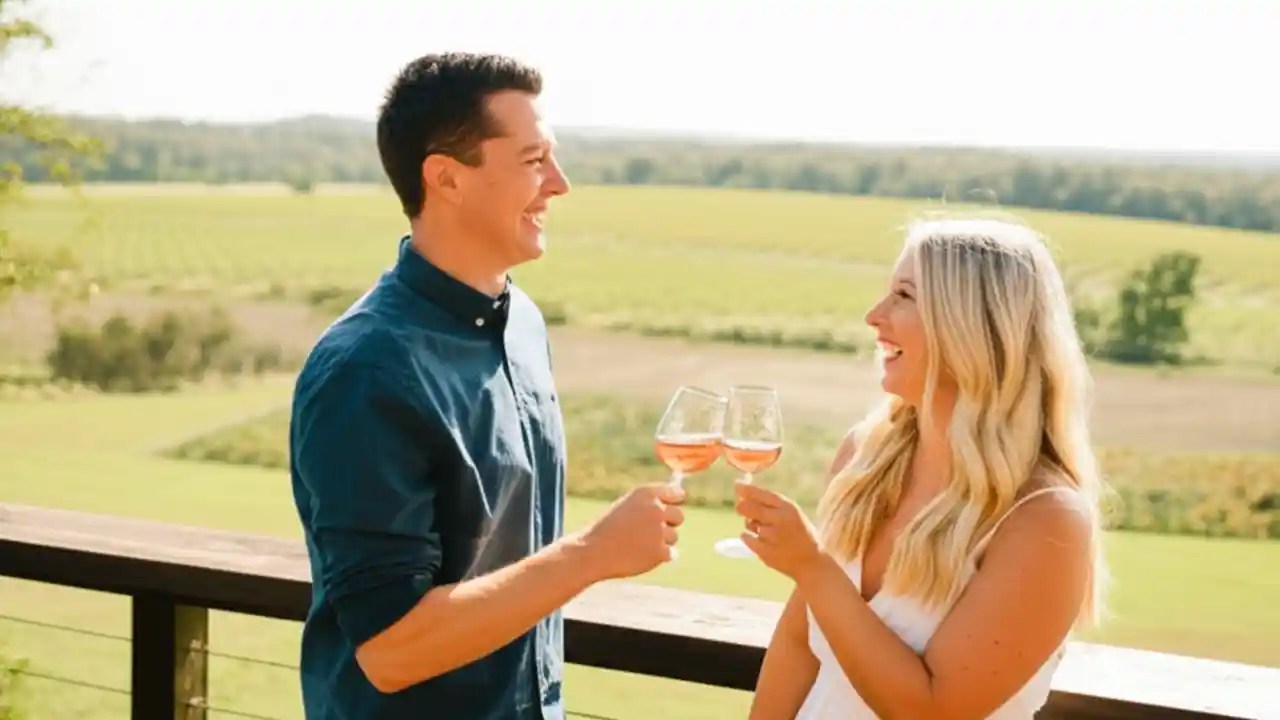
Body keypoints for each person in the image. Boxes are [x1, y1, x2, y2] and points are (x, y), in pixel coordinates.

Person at [288, 52, 685, 720]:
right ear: (446, 178)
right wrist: (592, 554)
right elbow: (390, 650)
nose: (559, 184)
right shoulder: (364, 370)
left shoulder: (522, 323)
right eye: (533, 160)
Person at [736, 217, 1108, 719]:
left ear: (971, 329)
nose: (874, 315)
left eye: (905, 296)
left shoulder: (1044, 518)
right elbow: (801, 641)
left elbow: (933, 711)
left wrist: (811, 566)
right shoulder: (864, 458)